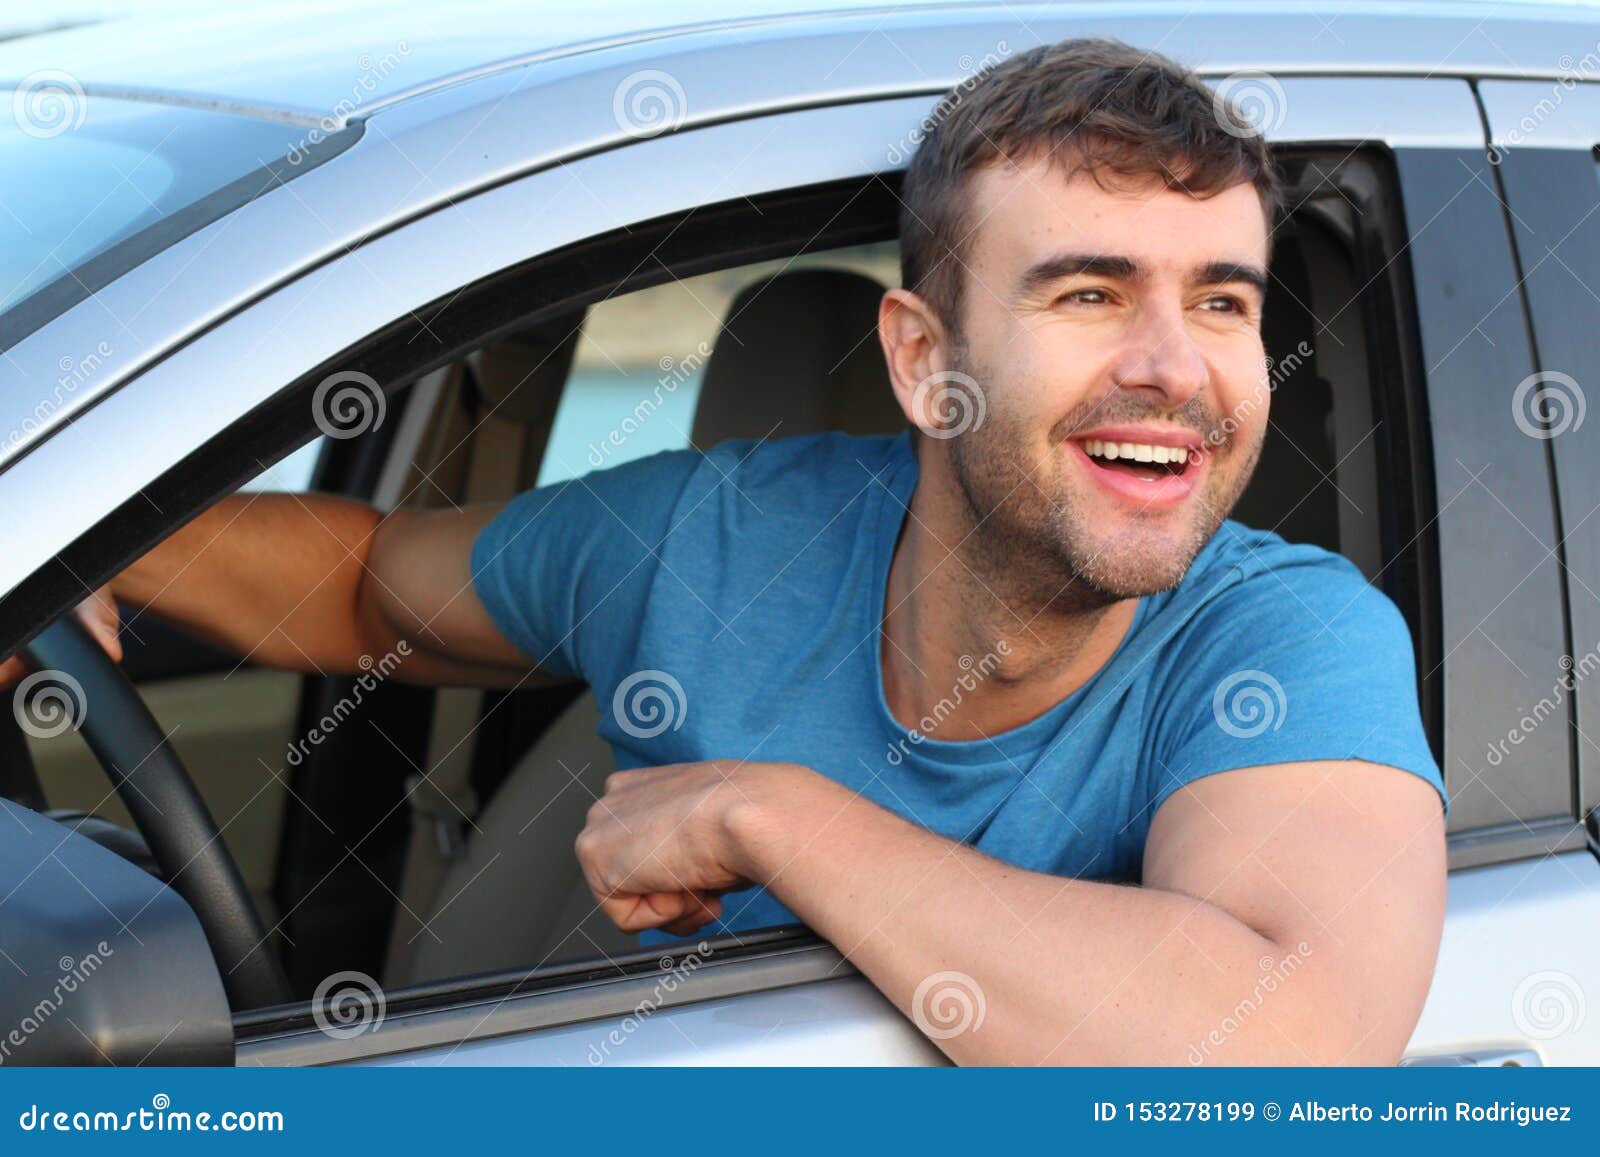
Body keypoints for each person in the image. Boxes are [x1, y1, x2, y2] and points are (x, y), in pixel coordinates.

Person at [18, 38, 1447, 1065]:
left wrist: (770, 817)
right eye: (1090, 293)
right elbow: (362, 586)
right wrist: (78, 541)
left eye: (1222, 302)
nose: (1176, 367)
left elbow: (1291, 1049)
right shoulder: (724, 537)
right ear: (923, 359)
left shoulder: (1285, 642)